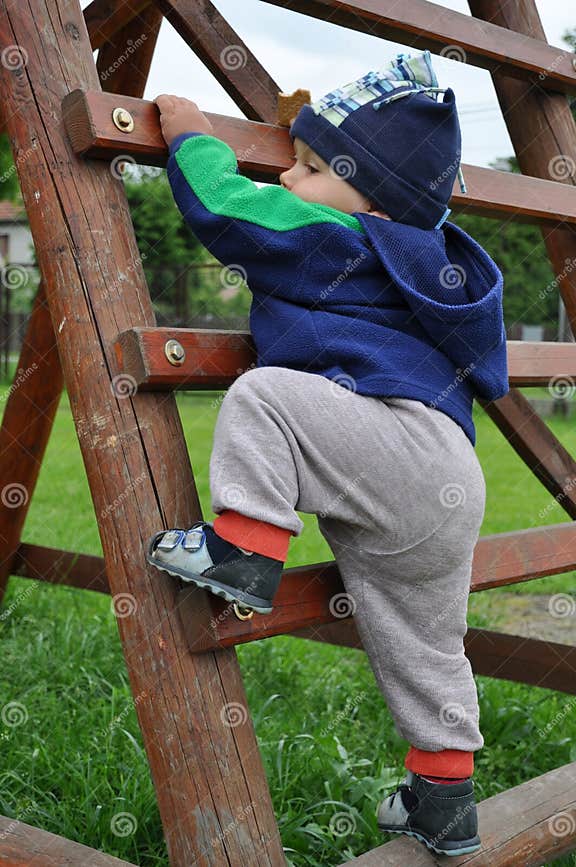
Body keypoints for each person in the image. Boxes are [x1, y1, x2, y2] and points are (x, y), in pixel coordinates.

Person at [146, 50, 509, 856]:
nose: (289, 182)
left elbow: (230, 208)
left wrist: (191, 133)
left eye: (309, 168)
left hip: (389, 443)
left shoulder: (337, 233)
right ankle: (445, 798)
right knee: (425, 641)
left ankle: (246, 548)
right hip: (447, 472)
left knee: (266, 396)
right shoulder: (434, 263)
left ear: (369, 199)